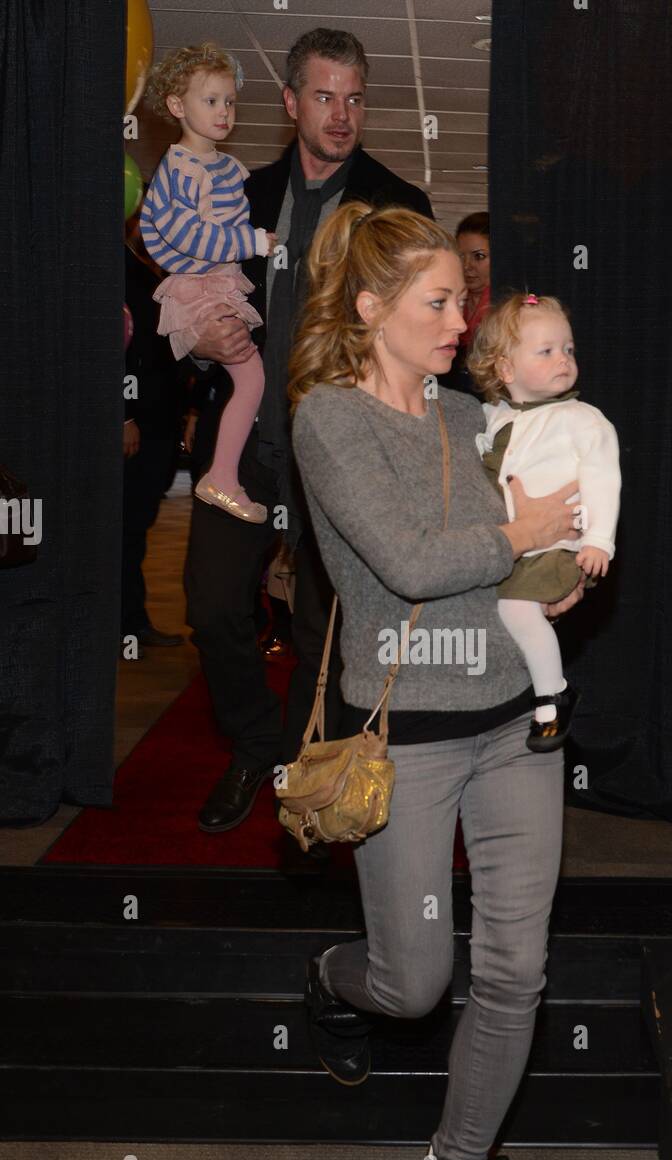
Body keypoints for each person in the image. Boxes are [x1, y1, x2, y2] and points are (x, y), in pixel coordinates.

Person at [287, 199, 589, 1160]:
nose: (463, 315)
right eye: (439, 301)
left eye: (463, 299)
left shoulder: (475, 413)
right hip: (405, 739)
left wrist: (567, 555)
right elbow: (414, 561)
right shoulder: (330, 421)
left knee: (514, 969)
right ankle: (332, 980)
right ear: (370, 309)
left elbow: (524, 550)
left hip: (514, 724)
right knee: (414, 982)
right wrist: (522, 533)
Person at [182, 28, 433, 834]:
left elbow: (420, 339)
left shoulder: (401, 207)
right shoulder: (236, 197)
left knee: (323, 631)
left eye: (354, 97)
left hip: (342, 458)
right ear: (290, 103)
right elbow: (185, 305)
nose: (341, 114)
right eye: (324, 96)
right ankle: (255, 743)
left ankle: (300, 773)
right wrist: (200, 341)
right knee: (213, 604)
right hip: (246, 449)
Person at [469, 292, 621, 749]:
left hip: (557, 548)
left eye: (568, 349)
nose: (564, 360)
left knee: (516, 610)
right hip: (510, 548)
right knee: (505, 615)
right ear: (505, 370)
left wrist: (598, 540)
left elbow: (602, 479)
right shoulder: (492, 419)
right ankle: (522, 695)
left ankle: (553, 695)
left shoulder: (582, 420)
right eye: (547, 351)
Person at [140, 42, 277, 525]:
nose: (224, 112)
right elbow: (185, 233)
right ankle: (222, 476)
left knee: (251, 380)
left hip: (218, 281)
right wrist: (255, 242)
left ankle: (224, 474)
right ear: (178, 107)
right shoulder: (180, 168)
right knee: (252, 378)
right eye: (210, 100)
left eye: (229, 101)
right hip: (200, 285)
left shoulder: (225, 165)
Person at [122, 208, 185, 649]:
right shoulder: (118, 269)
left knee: (140, 523)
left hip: (163, 418)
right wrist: (123, 415)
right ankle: (126, 625)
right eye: (150, 223)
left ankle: (133, 619)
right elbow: (118, 345)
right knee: (127, 526)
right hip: (137, 420)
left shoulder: (158, 270)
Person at [437, 211, 491, 398]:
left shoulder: (508, 311)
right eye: (461, 256)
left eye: (479, 256)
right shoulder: (443, 302)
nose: (467, 266)